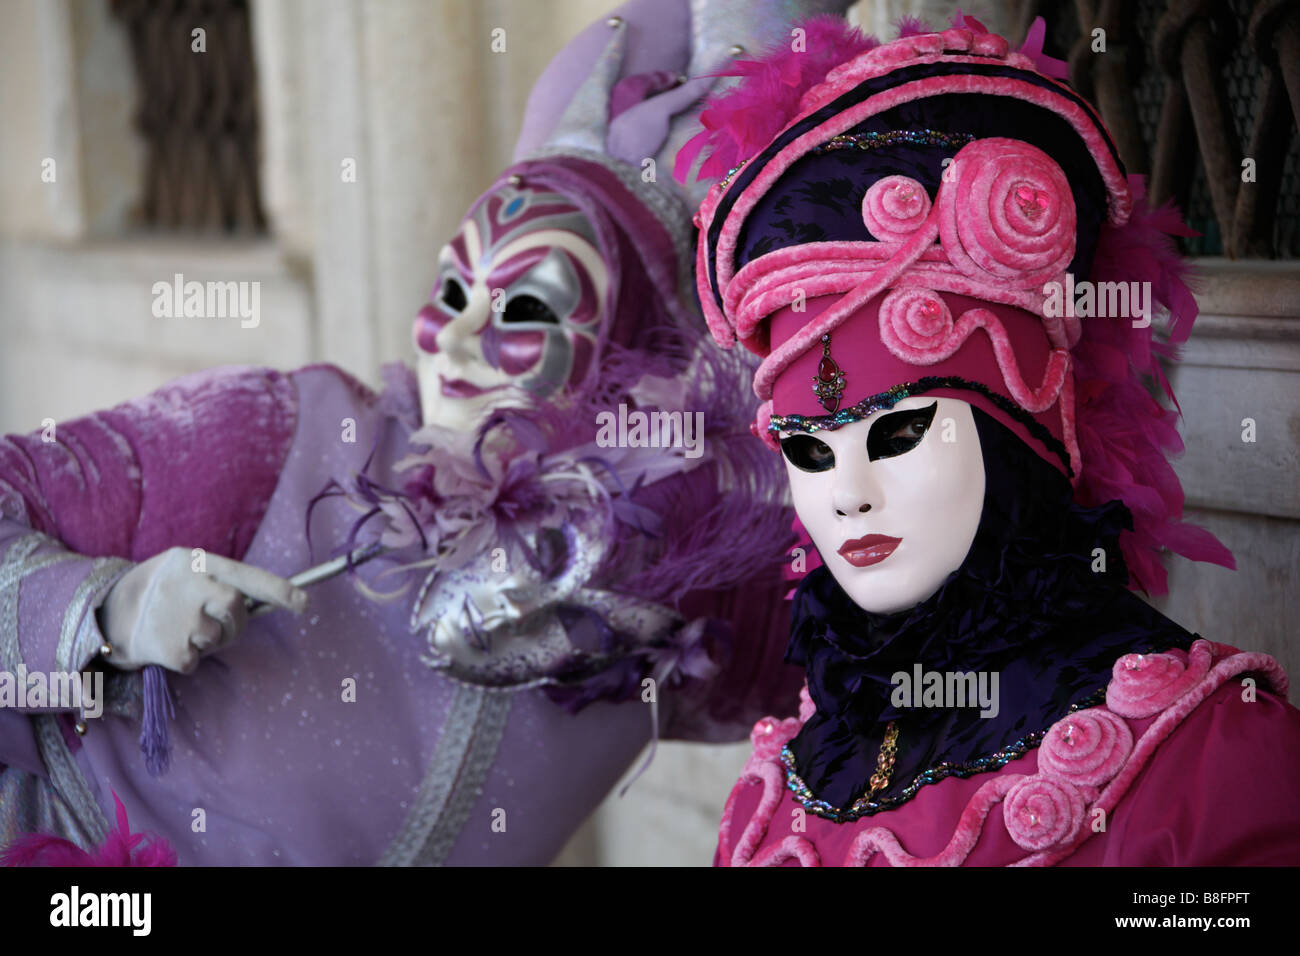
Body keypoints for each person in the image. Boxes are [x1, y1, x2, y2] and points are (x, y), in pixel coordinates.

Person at [0, 0, 870, 866]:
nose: (449, 340)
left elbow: (884, 645)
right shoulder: (276, 433)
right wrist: (106, 613)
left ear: (638, 362)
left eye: (522, 307)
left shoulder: (682, 578)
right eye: (452, 292)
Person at [682, 13, 1300, 866]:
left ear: (1020, 434)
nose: (849, 492)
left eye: (898, 431)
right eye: (809, 449)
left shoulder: (1204, 758)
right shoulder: (785, 781)